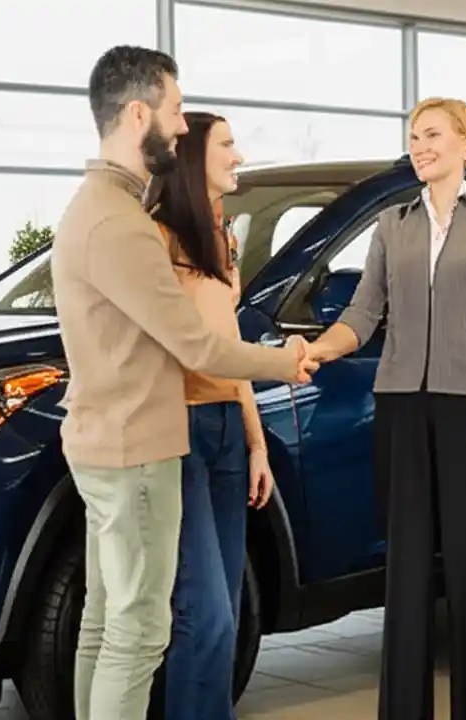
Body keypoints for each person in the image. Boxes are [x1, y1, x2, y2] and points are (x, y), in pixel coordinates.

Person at [51, 46, 316, 720]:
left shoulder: (92, 208)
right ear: (137, 112)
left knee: (105, 623)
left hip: (102, 441)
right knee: (139, 632)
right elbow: (195, 344)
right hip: (138, 446)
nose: (179, 125)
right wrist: (284, 362)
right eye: (173, 110)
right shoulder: (125, 224)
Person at [299, 97, 466, 720]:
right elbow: (362, 315)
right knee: (404, 573)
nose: (419, 146)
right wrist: (318, 350)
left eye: (431, 135)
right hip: (400, 406)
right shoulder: (391, 225)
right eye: (413, 137)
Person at [142, 111, 266, 719]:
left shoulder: (225, 239)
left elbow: (230, 342)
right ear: (194, 158)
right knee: (204, 611)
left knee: (228, 614)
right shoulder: (157, 239)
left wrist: (257, 443)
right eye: (227, 144)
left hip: (226, 431)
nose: (239, 155)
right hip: (180, 429)